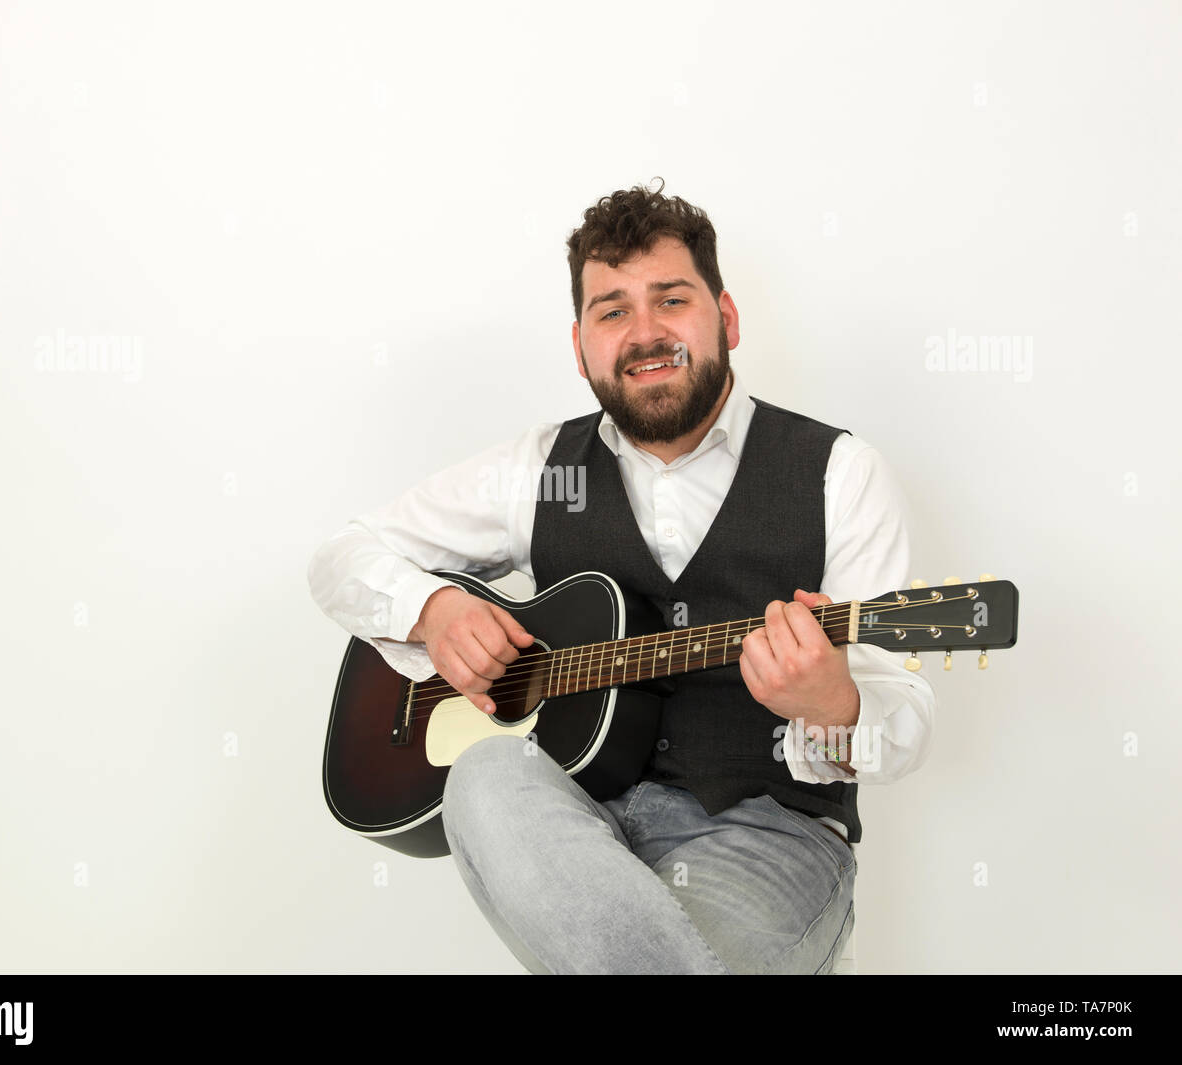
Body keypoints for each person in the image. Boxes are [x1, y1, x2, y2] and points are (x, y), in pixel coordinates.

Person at [309, 179, 936, 974]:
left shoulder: (838, 474)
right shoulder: (537, 468)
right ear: (580, 346)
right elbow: (340, 558)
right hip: (572, 832)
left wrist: (836, 705)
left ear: (727, 318)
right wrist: (432, 608)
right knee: (486, 773)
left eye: (671, 299)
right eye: (612, 311)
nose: (645, 333)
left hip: (765, 839)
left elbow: (907, 718)